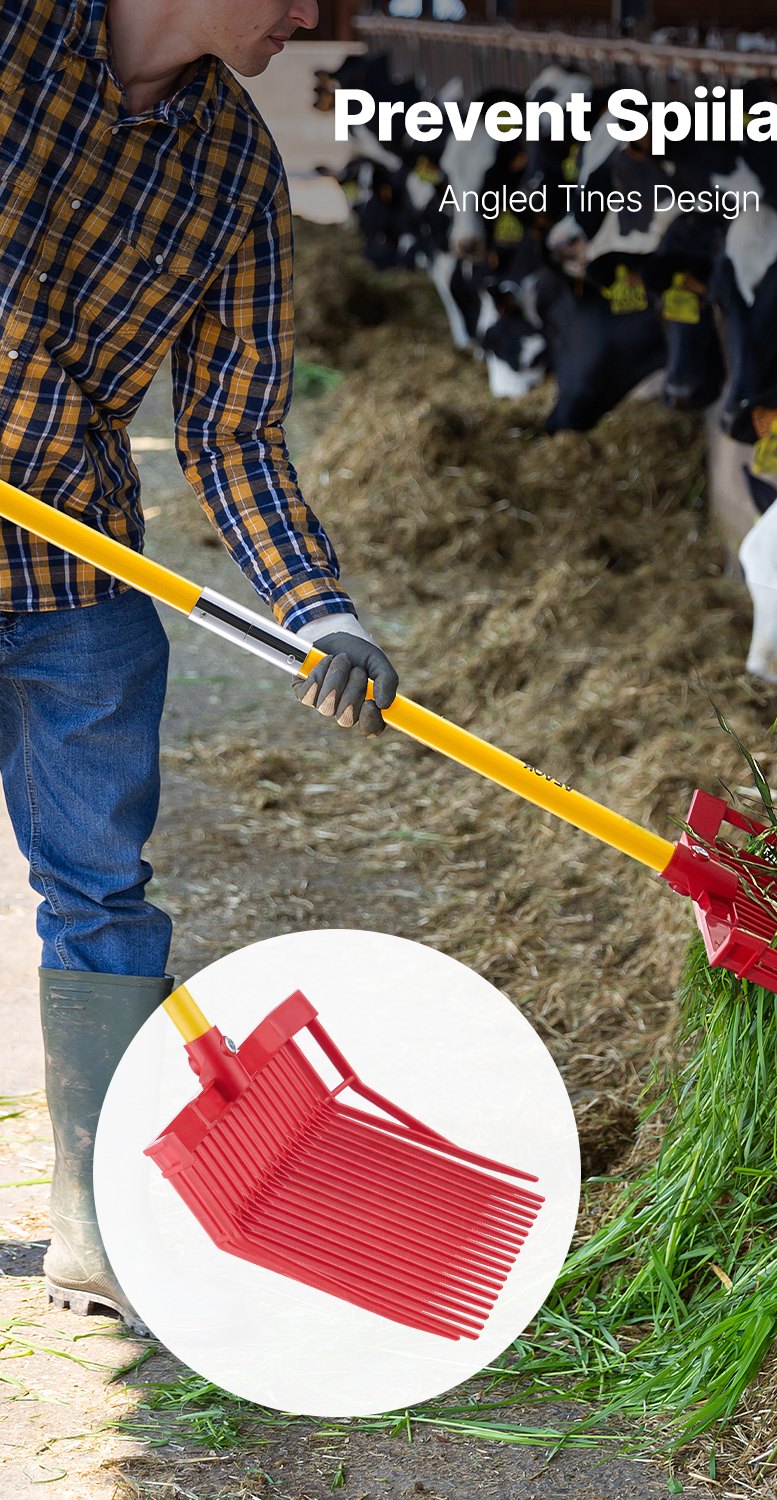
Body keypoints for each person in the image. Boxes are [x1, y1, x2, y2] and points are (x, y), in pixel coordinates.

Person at [1, 0, 400, 1329]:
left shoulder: (231, 167)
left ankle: (97, 1223)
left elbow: (233, 426)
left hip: (74, 575)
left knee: (103, 888)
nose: (318, 19)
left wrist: (318, 609)